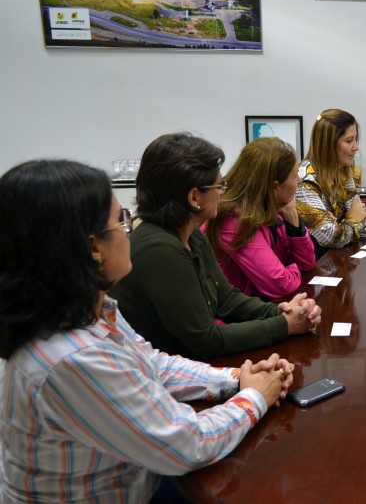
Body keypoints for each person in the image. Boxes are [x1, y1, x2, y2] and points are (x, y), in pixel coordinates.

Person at [0, 159, 295, 502]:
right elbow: (188, 444)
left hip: (140, 475)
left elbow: (153, 365)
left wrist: (237, 378)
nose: (130, 232)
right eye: (121, 221)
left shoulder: (89, 311)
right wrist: (255, 396)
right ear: (93, 247)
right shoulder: (73, 356)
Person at [109, 133, 321, 360]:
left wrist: (280, 311)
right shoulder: (160, 250)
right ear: (194, 197)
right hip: (162, 369)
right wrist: (284, 325)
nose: (222, 191)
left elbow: (226, 298)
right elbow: (205, 339)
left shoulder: (190, 234)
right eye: (218, 185)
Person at [205, 137, 316, 300]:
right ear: (275, 187)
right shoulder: (233, 221)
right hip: (239, 311)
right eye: (294, 176)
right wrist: (291, 267)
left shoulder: (271, 208)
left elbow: (307, 264)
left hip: (259, 304)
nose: (299, 180)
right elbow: (281, 284)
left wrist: (294, 226)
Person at [295, 109, 366, 257]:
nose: (356, 147)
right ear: (328, 145)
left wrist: (346, 223)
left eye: (355, 139)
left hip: (338, 257)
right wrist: (351, 220)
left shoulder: (343, 170)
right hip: (316, 262)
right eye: (349, 141)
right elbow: (331, 238)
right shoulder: (304, 182)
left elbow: (362, 215)